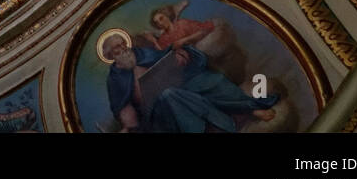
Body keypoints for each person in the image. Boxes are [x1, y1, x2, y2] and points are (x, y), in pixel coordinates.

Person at [102, 30, 278, 132]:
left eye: (123, 45)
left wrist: (179, 55)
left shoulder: (142, 54)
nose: (123, 50)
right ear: (110, 56)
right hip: (156, 112)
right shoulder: (115, 80)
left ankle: (251, 108)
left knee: (210, 79)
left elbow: (165, 57)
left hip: (178, 84)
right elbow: (123, 109)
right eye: (117, 49)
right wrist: (128, 125)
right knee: (170, 96)